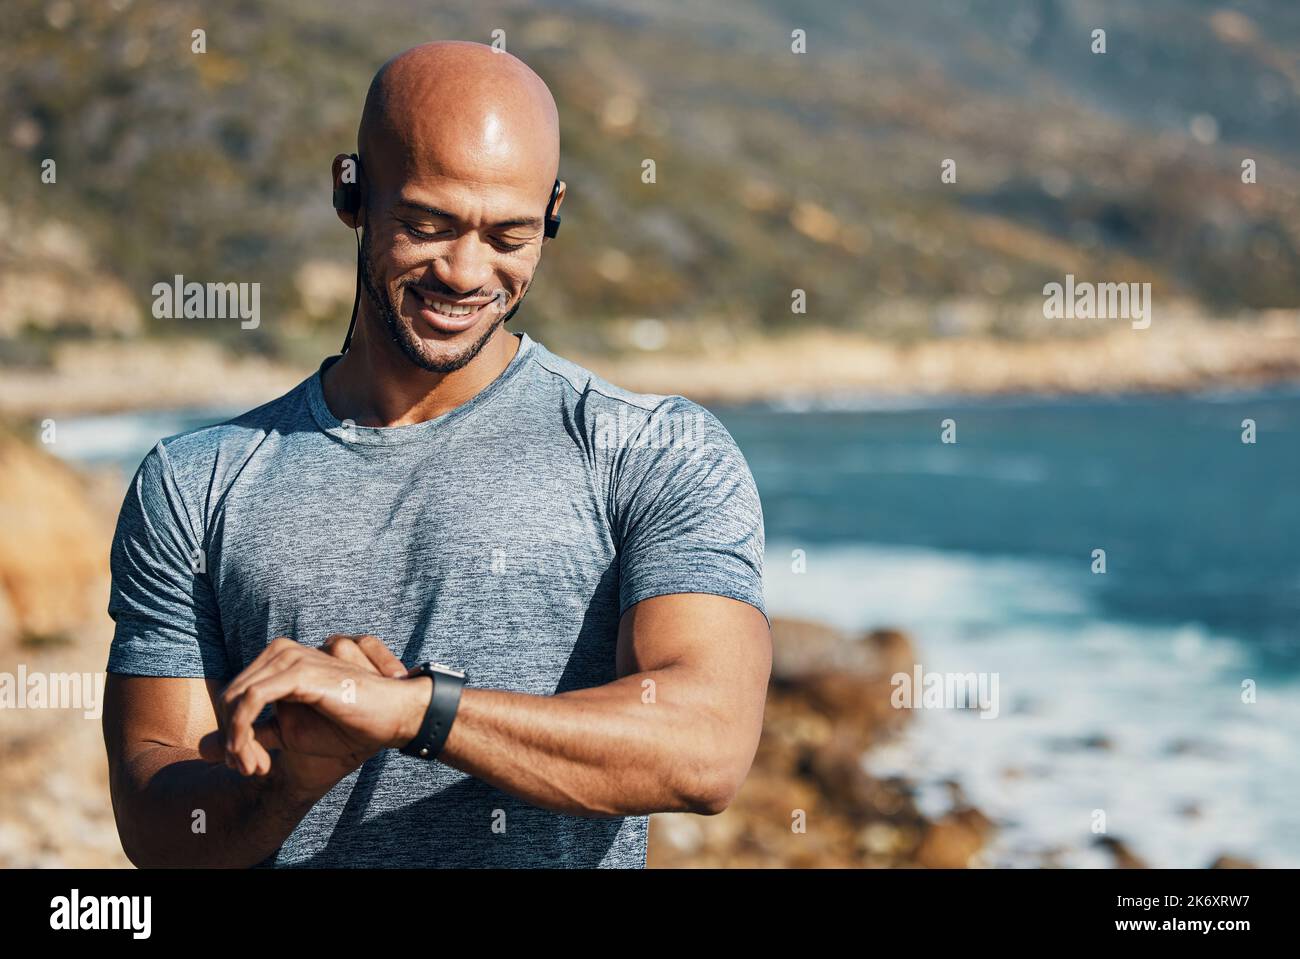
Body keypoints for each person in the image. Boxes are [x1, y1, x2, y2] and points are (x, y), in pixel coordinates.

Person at [102, 40, 770, 868]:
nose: (464, 271)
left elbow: (706, 746)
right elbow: (155, 823)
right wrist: (286, 780)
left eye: (509, 236)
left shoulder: (656, 449)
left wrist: (416, 711)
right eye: (427, 225)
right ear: (352, 193)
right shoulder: (194, 483)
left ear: (554, 211)